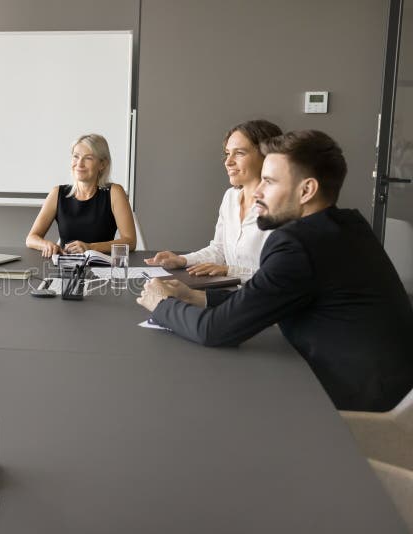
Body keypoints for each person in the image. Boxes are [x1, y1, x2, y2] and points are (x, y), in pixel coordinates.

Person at [137, 130, 413, 412]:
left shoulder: (298, 245)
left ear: (306, 190)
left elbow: (215, 331)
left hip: (361, 411)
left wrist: (162, 304)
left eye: (268, 181)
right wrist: (196, 297)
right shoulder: (346, 225)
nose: (257, 191)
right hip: (391, 391)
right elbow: (265, 296)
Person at [146, 120, 282, 282]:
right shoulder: (230, 197)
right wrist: (182, 260)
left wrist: (229, 271)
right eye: (227, 153)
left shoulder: (283, 206)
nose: (228, 162)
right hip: (233, 291)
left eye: (239, 153)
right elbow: (219, 249)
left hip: (265, 295)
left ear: (267, 156)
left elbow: (282, 276)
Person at [25, 134, 136, 257]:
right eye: (76, 156)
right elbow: (31, 238)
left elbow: (130, 241)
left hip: (101, 266)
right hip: (65, 266)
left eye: (88, 158)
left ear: (102, 164)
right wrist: (46, 245)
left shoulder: (115, 192)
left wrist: (90, 247)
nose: (79, 164)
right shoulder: (57, 193)